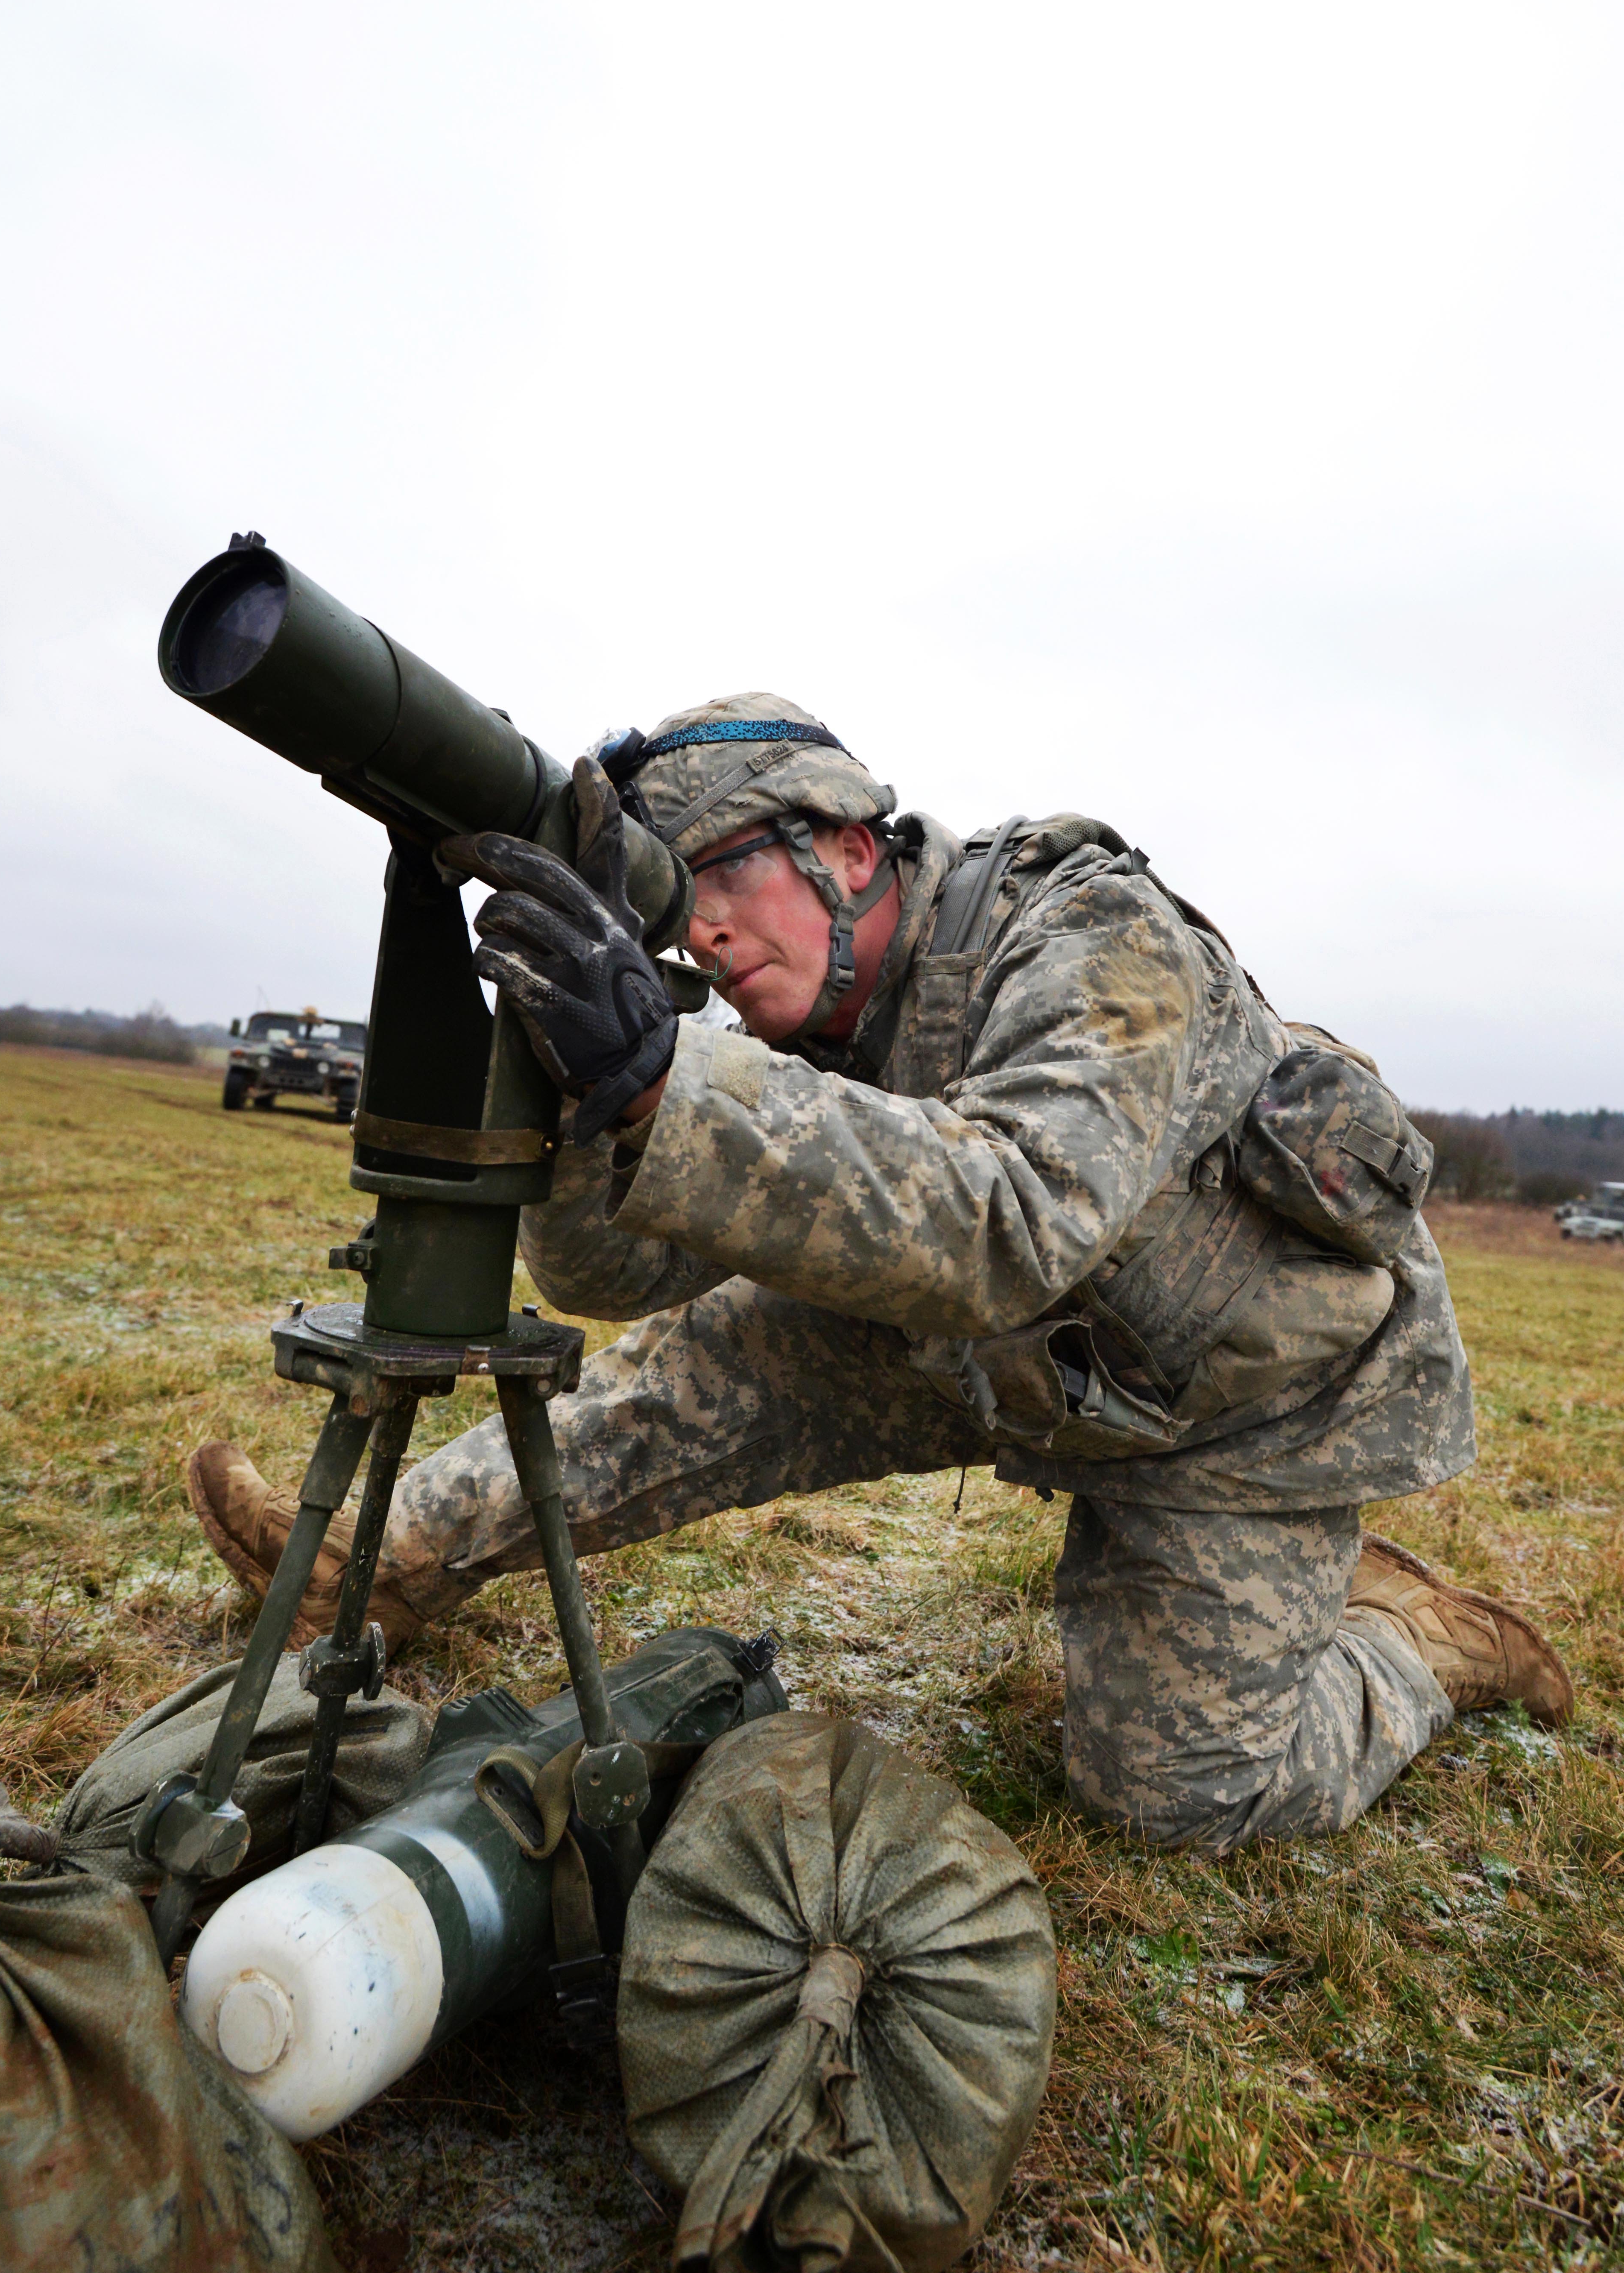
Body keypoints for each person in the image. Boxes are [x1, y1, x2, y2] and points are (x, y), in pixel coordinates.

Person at [188, 696, 1571, 1854]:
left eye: (723, 873)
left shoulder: (1093, 933)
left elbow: (1015, 1214)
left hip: (1240, 1413)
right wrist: (579, 1086)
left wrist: (672, 1083)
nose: (705, 939)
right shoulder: (802, 1020)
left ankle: (1415, 1643)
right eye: (675, 912)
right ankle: (378, 1571)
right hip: (1020, 1356)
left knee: (1179, 1799)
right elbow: (618, 1273)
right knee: (706, 1371)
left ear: (849, 848)